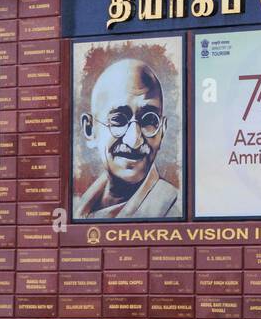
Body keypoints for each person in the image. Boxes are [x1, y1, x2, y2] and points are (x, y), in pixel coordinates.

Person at [74, 58, 181, 219]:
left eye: (149, 120)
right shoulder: (74, 208)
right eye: (118, 120)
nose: (134, 139)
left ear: (162, 130)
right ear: (90, 130)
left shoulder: (175, 209)